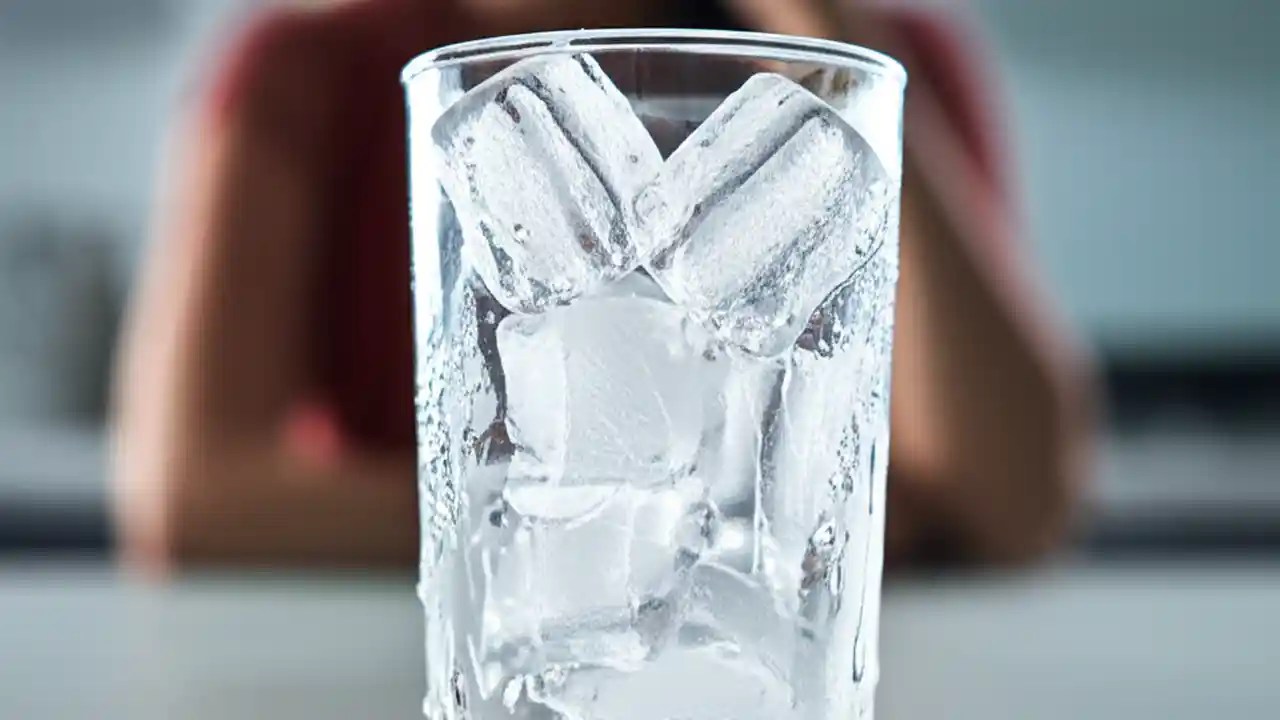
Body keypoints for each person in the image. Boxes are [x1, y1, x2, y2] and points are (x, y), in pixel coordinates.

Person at [113, 0, 1094, 572]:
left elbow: (1012, 499)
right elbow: (193, 501)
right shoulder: (316, 69)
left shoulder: (870, 71)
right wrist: (697, 518)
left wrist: (831, 37)